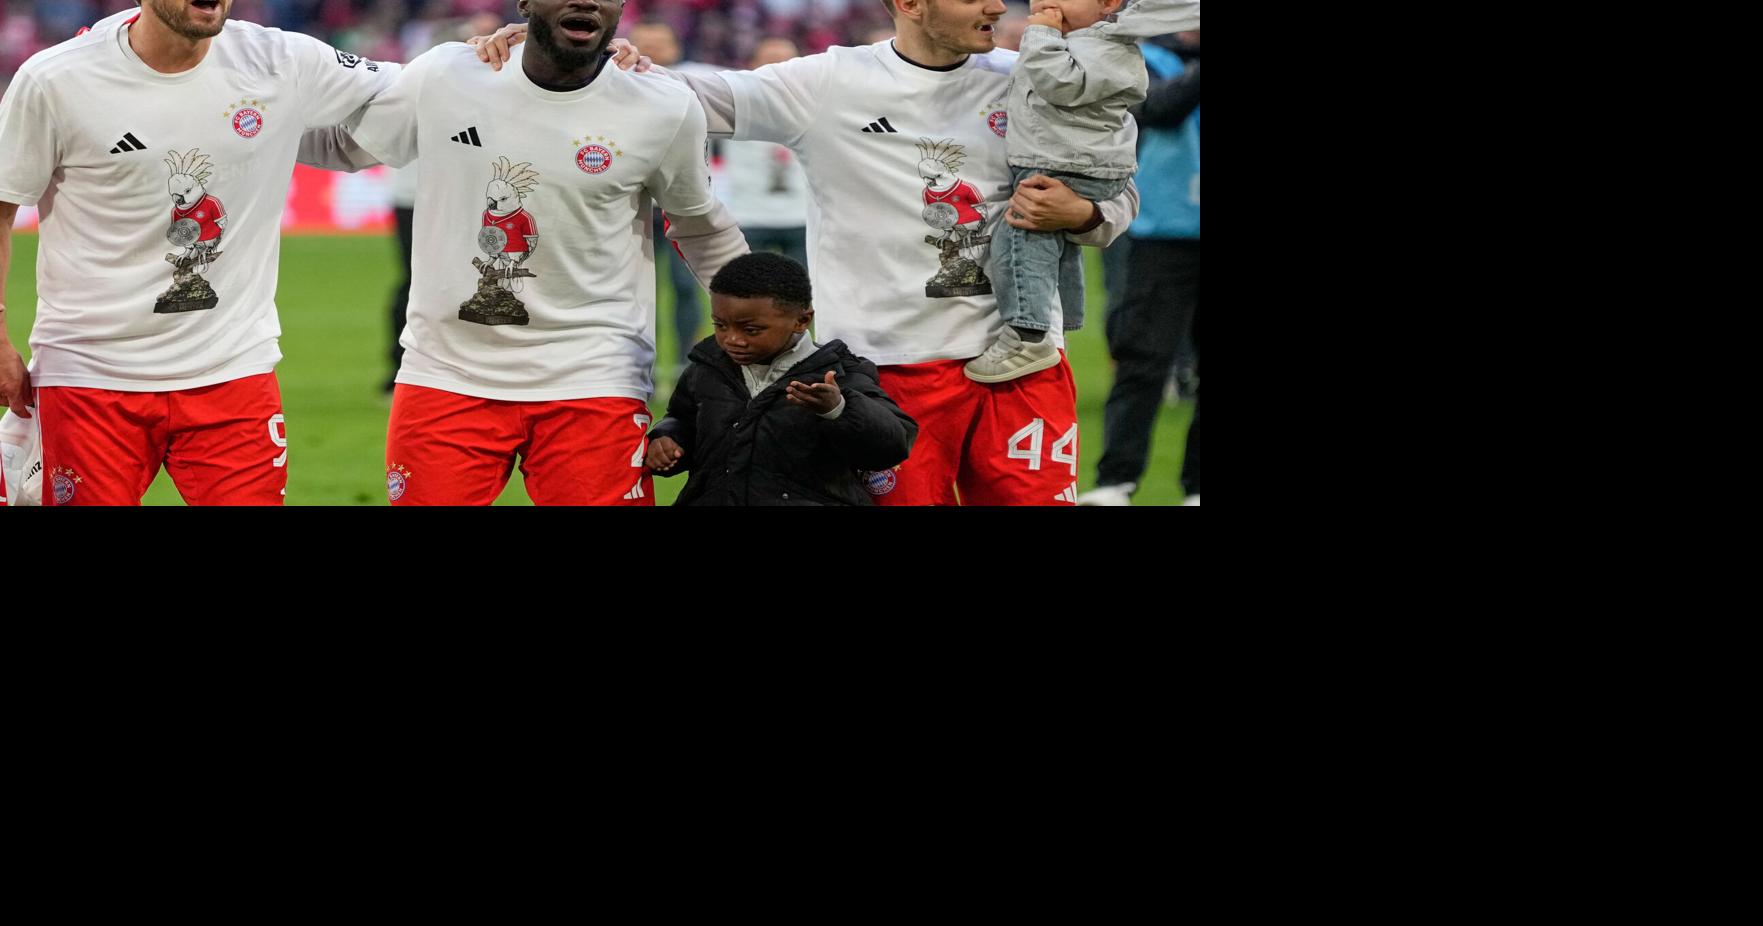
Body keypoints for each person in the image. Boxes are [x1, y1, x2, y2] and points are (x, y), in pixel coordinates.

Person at [472, 0, 1143, 504]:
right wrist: (577, 53)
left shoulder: (1031, 78)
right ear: (910, 3)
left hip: (1020, 363)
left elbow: (1114, 188)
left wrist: (1086, 214)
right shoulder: (830, 82)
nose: (996, 6)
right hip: (885, 377)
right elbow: (683, 95)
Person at [339, 0, 748, 506]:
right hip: (446, 372)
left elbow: (700, 224)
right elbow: (344, 145)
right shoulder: (448, 73)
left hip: (594, 377)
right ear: (526, 3)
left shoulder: (662, 105)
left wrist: (771, 326)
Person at [0, 0, 404, 505]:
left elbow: (411, 91)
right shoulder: (56, 79)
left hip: (233, 372)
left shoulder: (279, 60)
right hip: (90, 377)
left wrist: (481, 56)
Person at [969, 0, 1196, 383]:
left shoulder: (1103, 47)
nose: (1045, 3)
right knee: (1051, 244)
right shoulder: (1085, 44)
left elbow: (1059, 83)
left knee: (1019, 234)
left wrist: (1041, 35)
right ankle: (1062, 319)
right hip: (1068, 163)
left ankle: (1027, 334)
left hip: (1069, 165)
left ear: (1107, 4)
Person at [647, 252, 917, 506]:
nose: (732, 339)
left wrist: (839, 409)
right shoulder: (707, 366)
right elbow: (682, 418)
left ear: (802, 320)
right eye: (720, 325)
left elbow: (892, 446)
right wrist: (668, 438)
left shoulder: (839, 372)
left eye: (751, 329)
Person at [1077, 27, 1199, 506]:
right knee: (1142, 359)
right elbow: (1160, 109)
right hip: (1162, 231)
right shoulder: (1144, 57)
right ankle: (1116, 480)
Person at [716, 37, 809, 268]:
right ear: (751, 65)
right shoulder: (730, 104)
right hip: (748, 216)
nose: (778, 68)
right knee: (749, 288)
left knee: (804, 288)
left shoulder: (816, 105)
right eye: (770, 61)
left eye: (786, 61)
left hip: (803, 216)